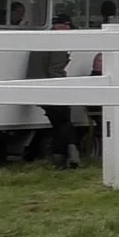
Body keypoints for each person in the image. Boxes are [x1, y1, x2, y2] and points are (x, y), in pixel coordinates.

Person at [25, 13, 80, 169]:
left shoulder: (43, 39)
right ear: (63, 26)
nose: (70, 30)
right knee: (64, 123)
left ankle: (67, 156)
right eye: (68, 26)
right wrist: (64, 89)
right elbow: (55, 70)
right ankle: (65, 157)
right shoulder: (58, 42)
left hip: (37, 87)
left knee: (59, 124)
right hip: (51, 90)